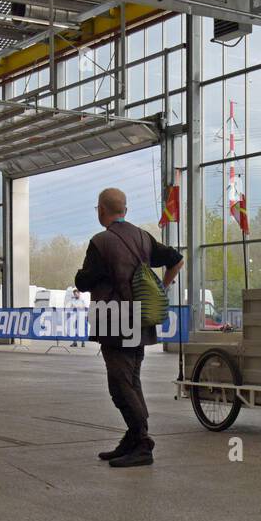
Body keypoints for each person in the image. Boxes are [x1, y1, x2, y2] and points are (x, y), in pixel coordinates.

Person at [74, 187, 183, 468]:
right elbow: (177, 259)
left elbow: (84, 281)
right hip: (140, 318)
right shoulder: (143, 237)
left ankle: (143, 442)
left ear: (100, 210)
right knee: (131, 380)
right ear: (126, 210)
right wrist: (161, 286)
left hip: (114, 320)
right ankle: (133, 438)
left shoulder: (101, 241)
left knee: (120, 384)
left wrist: (81, 276)